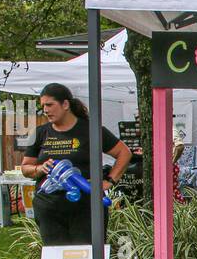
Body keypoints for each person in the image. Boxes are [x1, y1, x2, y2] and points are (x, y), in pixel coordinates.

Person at [20, 83, 132, 245]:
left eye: (50, 105)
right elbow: (25, 167)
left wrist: (109, 181)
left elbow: (124, 153)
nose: (45, 110)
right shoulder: (40, 133)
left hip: (86, 208)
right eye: (43, 106)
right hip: (49, 208)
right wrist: (39, 168)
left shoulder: (91, 130)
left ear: (65, 104)